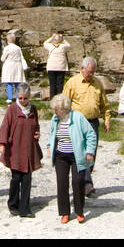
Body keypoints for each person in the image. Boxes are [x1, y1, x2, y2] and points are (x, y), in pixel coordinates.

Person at [47, 93, 97, 224]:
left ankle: (79, 212)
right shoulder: (55, 119)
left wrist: (90, 151)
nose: (55, 112)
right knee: (62, 183)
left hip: (77, 155)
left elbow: (91, 134)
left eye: (57, 109)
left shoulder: (78, 117)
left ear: (64, 109)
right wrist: (49, 145)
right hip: (60, 155)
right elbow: (52, 134)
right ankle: (64, 213)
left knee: (78, 182)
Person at [63, 57, 109, 196]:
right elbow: (64, 103)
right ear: (82, 69)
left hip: (93, 122)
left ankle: (83, 181)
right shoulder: (72, 82)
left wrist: (107, 119)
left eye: (93, 72)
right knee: (80, 151)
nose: (91, 74)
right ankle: (86, 184)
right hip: (76, 122)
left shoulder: (98, 83)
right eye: (89, 72)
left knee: (91, 152)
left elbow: (104, 104)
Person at [0, 81, 41, 218]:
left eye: (25, 98)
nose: (23, 101)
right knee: (16, 178)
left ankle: (25, 208)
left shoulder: (33, 110)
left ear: (29, 97)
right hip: (15, 149)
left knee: (27, 179)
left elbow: (36, 126)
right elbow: (5, 127)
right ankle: (13, 204)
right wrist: (2, 144)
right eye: (20, 98)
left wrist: (37, 134)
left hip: (28, 149)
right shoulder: (12, 109)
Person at [0, 30, 26, 103]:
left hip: (9, 65)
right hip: (17, 65)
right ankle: (18, 97)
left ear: (8, 40)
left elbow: (2, 59)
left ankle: (10, 97)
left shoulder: (7, 48)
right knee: (17, 82)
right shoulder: (18, 48)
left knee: (9, 82)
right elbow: (21, 57)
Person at [43, 32, 71, 98]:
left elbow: (45, 43)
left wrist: (51, 38)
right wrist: (63, 39)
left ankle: (52, 98)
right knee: (60, 84)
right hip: (61, 67)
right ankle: (59, 98)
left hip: (51, 67)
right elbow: (69, 45)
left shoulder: (50, 46)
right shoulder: (63, 46)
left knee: (52, 84)